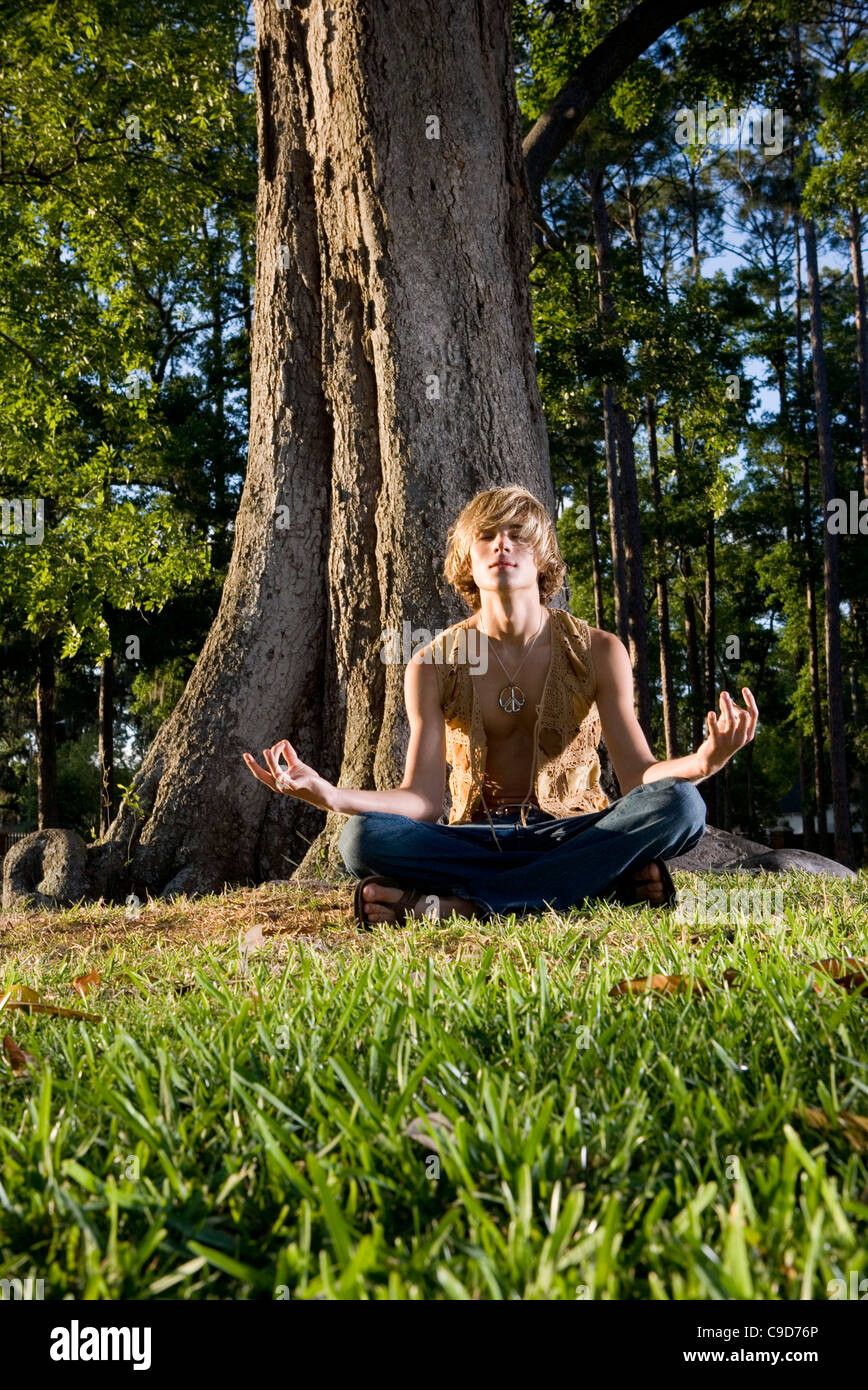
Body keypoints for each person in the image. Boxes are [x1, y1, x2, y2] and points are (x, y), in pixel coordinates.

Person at [243, 485, 758, 928]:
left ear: (544, 556)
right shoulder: (433, 662)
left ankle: (464, 906)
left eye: (517, 533)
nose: (502, 544)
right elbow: (422, 801)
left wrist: (703, 763)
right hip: (473, 838)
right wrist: (333, 796)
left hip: (573, 832)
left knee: (682, 806)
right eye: (486, 536)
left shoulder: (598, 650)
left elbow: (640, 775)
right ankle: (592, 888)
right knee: (360, 840)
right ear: (467, 557)